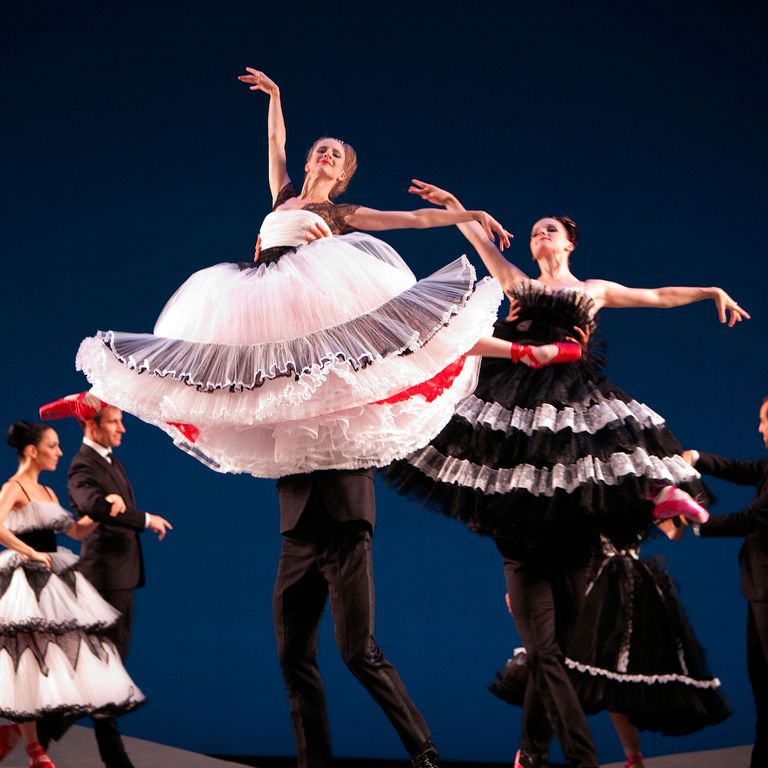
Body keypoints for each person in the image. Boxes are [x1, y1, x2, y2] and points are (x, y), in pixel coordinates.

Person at [385, 181, 749, 768]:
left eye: (548, 229)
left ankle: (649, 503)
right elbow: (477, 239)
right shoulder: (518, 283)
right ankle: (534, 560)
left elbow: (657, 295)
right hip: (516, 399)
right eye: (533, 232)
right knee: (518, 478)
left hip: (572, 398)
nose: (539, 235)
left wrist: (710, 291)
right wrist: (456, 207)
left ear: (570, 240)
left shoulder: (592, 289)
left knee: (600, 456)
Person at [74, 68, 583, 481]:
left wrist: (467, 214)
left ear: (341, 175)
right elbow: (275, 143)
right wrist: (275, 96)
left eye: (336, 155)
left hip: (316, 285)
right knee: (226, 361)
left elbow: (413, 219)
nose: (326, 154)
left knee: (404, 332)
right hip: (257, 290)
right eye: (321, 149)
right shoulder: (283, 196)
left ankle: (520, 351)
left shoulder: (343, 214)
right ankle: (116, 394)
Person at [490, 518, 731, 768]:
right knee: (553, 662)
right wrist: (524, 587)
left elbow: (673, 532)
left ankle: (631, 758)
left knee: (617, 675)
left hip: (629, 585)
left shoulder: (647, 487)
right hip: (587, 576)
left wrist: (680, 511)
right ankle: (532, 751)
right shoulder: (598, 486)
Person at [36, 393, 172, 768]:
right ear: (91, 425)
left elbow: (109, 502)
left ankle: (37, 740)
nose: (122, 427)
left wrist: (127, 509)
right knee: (103, 670)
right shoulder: (83, 465)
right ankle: (108, 757)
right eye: (115, 421)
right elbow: (92, 505)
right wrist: (142, 518)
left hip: (119, 578)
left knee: (100, 670)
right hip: (103, 579)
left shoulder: (107, 460)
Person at [0, 420, 145, 768]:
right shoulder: (14, 487)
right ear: (33, 451)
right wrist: (30, 552)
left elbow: (77, 532)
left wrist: (106, 507)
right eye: (53, 446)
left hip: (51, 583)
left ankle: (25, 742)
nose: (60, 452)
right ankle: (34, 749)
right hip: (24, 581)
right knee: (26, 658)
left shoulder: (47, 493)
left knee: (48, 661)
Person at [683, 396, 768, 768]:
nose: (760, 428)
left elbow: (746, 520)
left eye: (766, 420)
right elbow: (740, 468)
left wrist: (693, 519)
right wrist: (695, 457)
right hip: (759, 589)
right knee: (760, 678)